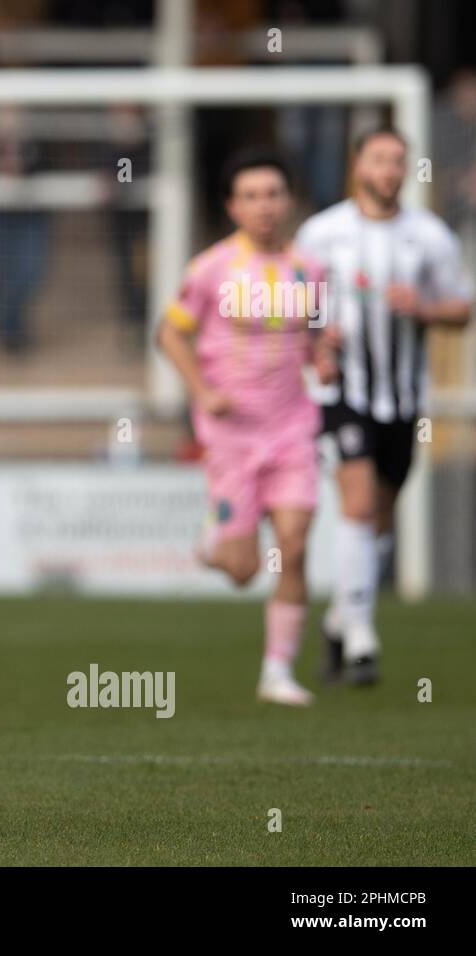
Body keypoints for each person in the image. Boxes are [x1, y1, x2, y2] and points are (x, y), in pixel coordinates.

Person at [295, 127, 472, 686]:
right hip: (343, 392)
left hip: (402, 397)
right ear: (358, 165)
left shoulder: (429, 236)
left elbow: (461, 309)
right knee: (359, 498)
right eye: (380, 159)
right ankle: (363, 640)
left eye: (399, 161)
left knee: (379, 516)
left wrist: (423, 307)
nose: (390, 170)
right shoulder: (323, 233)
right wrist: (319, 345)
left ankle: (339, 620)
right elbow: (296, 309)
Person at [158, 150, 335, 707]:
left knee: (296, 542)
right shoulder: (212, 268)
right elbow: (169, 334)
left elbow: (318, 337)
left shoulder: (309, 270)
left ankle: (278, 671)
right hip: (231, 434)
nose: (265, 206)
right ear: (234, 205)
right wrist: (203, 392)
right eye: (252, 196)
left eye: (274, 194)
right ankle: (217, 544)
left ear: (288, 201)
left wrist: (325, 357)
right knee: (242, 569)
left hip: (292, 428)